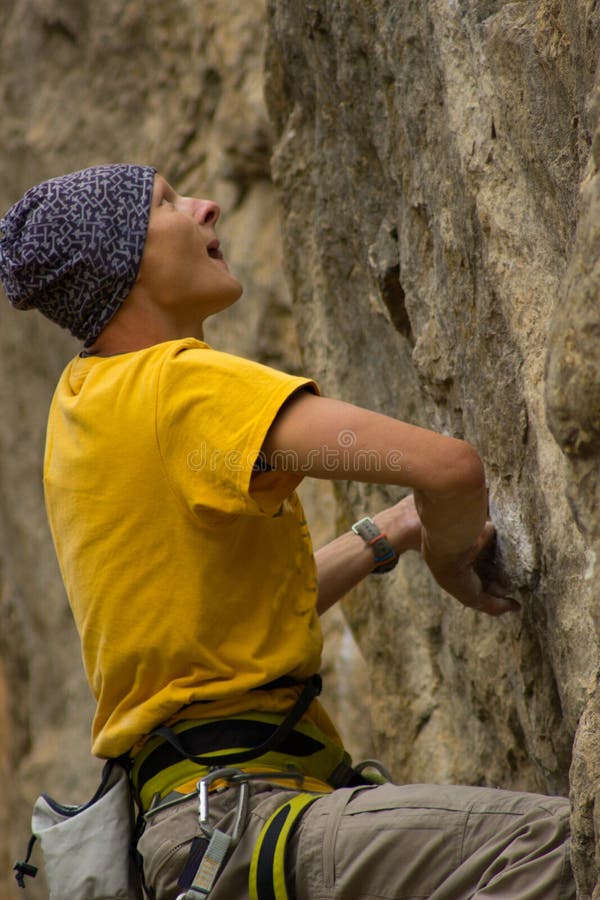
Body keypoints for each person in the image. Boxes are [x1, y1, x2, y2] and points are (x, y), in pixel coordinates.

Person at [0, 164, 574, 899]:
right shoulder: (181, 387)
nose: (206, 207)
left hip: (191, 843)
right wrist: (450, 553)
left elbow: (233, 622)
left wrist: (391, 531)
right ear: (125, 261)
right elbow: (450, 469)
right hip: (247, 821)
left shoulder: (84, 407)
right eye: (168, 205)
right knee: (554, 844)